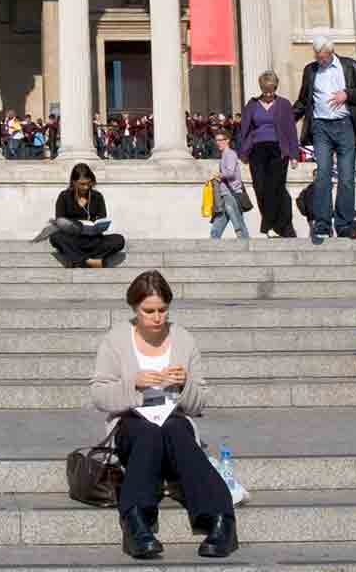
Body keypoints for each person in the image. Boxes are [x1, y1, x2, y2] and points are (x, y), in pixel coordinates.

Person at [89, 270, 237, 560]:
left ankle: (221, 518)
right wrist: (134, 384)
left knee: (174, 428)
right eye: (149, 311)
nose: (157, 318)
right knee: (147, 430)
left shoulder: (183, 339)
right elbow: (99, 394)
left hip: (173, 423)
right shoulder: (116, 340)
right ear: (134, 309)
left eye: (162, 310)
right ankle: (136, 521)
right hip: (132, 424)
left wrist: (183, 385)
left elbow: (200, 403)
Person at [293, 35, 356, 244]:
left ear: (331, 52)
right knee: (323, 175)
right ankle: (322, 224)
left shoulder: (350, 66)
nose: (321, 61)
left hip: (345, 125)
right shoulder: (310, 71)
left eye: (324, 57)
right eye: (318, 57)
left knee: (346, 177)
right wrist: (286, 120)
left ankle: (345, 224)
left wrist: (347, 94)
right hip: (321, 127)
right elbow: (303, 101)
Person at [238, 70, 300, 238]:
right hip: (257, 150)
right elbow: (244, 128)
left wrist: (294, 154)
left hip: (278, 150)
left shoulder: (284, 104)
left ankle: (272, 225)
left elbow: (290, 130)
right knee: (260, 187)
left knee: (275, 188)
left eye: (271, 90)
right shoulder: (252, 105)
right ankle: (277, 224)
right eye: (265, 91)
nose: (268, 94)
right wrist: (242, 151)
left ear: (275, 88)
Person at [47, 163, 126, 268]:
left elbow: (102, 218)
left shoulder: (97, 197)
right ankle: (89, 261)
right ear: (74, 182)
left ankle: (77, 260)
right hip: (73, 239)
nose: (86, 187)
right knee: (55, 237)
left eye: (88, 183)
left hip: (93, 240)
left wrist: (97, 226)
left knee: (119, 240)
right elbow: (60, 221)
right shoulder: (64, 196)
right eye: (82, 184)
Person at [210, 129, 249, 240]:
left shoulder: (230, 154)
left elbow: (230, 173)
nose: (218, 143)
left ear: (227, 141)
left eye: (220, 140)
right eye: (216, 141)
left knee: (238, 224)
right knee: (218, 224)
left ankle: (246, 244)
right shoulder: (224, 155)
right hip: (225, 194)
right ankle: (213, 240)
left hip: (230, 194)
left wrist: (219, 175)